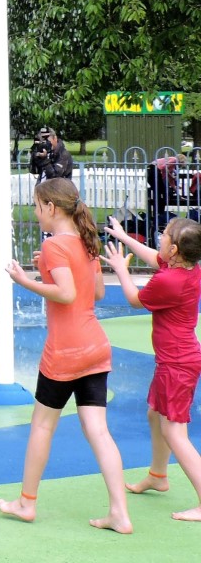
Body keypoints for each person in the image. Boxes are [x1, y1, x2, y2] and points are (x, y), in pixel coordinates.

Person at [0, 178, 130, 532]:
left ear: (51, 208)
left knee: (41, 425)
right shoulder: (86, 243)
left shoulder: (56, 245)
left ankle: (27, 502)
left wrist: (24, 280)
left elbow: (67, 294)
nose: (35, 212)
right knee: (98, 431)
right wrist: (48, 266)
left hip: (65, 351)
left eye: (37, 206)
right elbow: (97, 291)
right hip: (95, 347)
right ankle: (120, 511)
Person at [104, 214, 201, 520]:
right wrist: (124, 237)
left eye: (164, 235)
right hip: (175, 359)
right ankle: (158, 476)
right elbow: (154, 257)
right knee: (154, 414)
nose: (159, 237)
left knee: (174, 432)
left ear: (174, 250)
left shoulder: (169, 281)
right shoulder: (187, 268)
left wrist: (121, 268)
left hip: (177, 362)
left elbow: (134, 299)